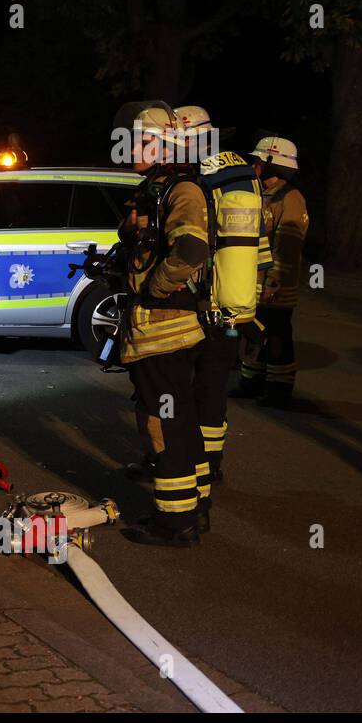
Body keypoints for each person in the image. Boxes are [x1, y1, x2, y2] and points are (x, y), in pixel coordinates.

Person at [115, 103, 210, 548]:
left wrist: (153, 288)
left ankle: (175, 522)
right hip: (158, 329)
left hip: (164, 328)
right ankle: (195, 510)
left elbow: (190, 251)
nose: (127, 147)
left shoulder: (182, 190)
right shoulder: (156, 188)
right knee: (180, 419)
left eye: (137, 140)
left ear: (162, 144)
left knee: (162, 423)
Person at [171, 104, 264, 521]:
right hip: (236, 302)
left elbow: (195, 242)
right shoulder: (242, 172)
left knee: (192, 391)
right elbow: (257, 245)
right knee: (213, 392)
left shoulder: (198, 177)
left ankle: (194, 481)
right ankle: (212, 467)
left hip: (202, 302)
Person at [236, 135, 308, 407]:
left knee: (277, 335)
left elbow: (287, 245)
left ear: (271, 163)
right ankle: (251, 382)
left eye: (257, 160)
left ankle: (279, 390)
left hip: (276, 285)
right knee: (254, 333)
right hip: (254, 282)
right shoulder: (261, 194)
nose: (253, 165)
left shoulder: (290, 198)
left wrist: (273, 281)